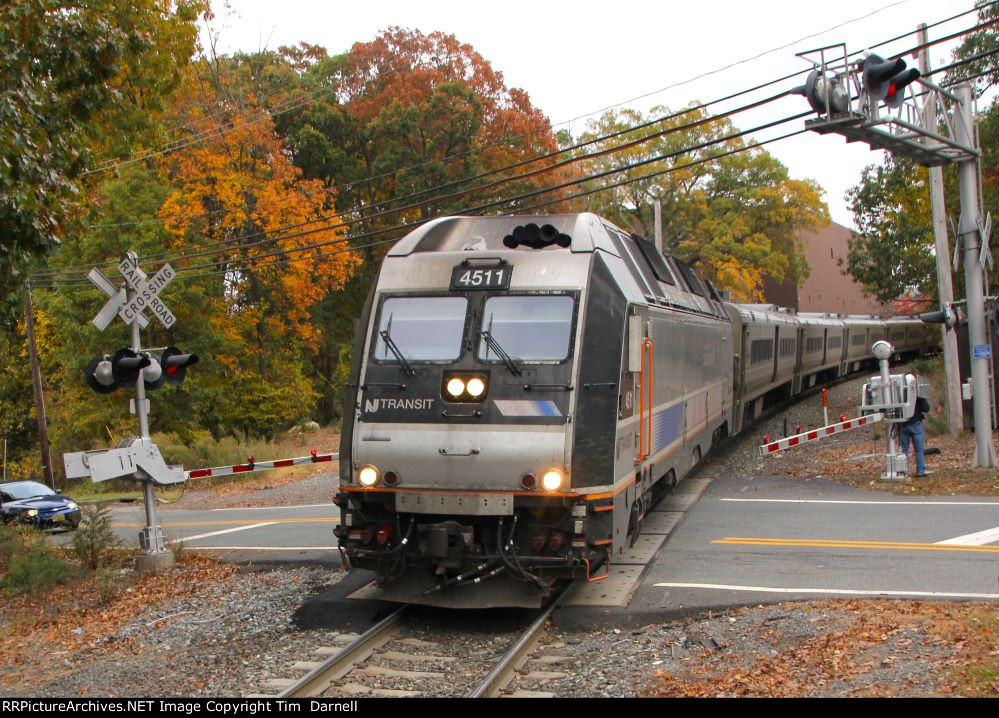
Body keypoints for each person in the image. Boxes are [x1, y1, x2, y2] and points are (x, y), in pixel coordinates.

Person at [900, 376, 930, 477]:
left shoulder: (900, 394)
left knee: (904, 450)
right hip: (916, 424)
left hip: (903, 425)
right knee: (919, 450)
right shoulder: (918, 394)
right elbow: (926, 408)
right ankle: (920, 472)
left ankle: (903, 471)